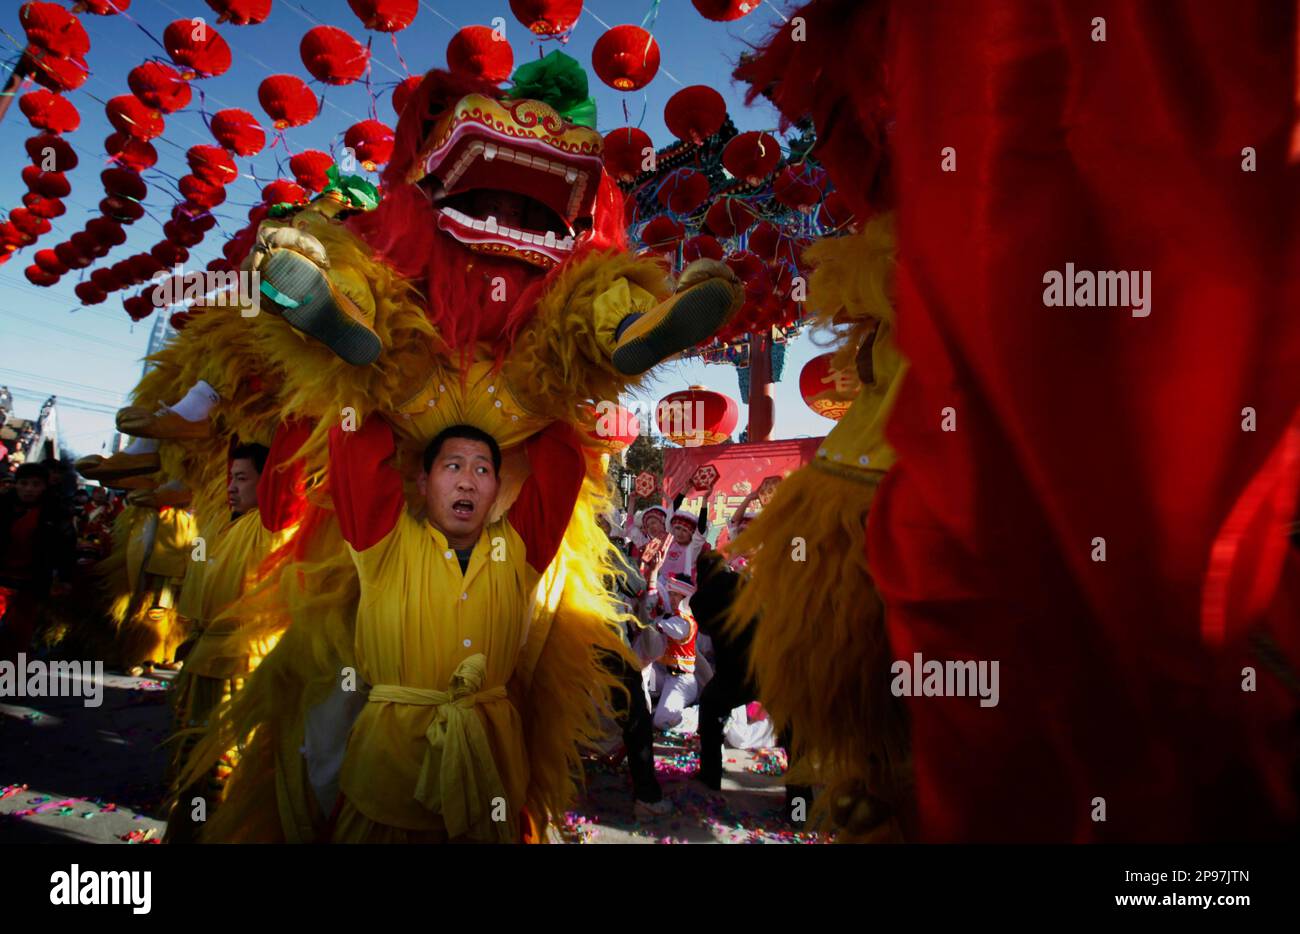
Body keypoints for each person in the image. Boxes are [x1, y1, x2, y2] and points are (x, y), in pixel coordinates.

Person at [319, 415, 585, 842]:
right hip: (388, 778)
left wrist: (537, 391)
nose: (467, 482)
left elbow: (564, 463)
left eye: (482, 469)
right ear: (423, 482)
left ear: (498, 488)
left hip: (489, 774)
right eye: (453, 466)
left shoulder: (518, 549)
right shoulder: (383, 543)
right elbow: (353, 440)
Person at [165, 429, 307, 843]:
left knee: (224, 776)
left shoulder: (273, 525)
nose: (231, 487)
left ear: (271, 482)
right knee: (191, 767)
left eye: (242, 478)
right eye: (230, 478)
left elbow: (289, 465)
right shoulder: (227, 526)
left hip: (243, 669)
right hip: (205, 660)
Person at [599, 519, 671, 821]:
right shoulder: (606, 551)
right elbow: (639, 587)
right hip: (604, 640)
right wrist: (649, 572)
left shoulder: (552, 543)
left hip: (556, 638)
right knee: (636, 714)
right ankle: (647, 797)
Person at [0, 462, 74, 660]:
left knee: (19, 633)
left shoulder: (56, 512)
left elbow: (66, 548)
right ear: (16, 484)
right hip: (2, 578)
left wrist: (65, 578)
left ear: (44, 486)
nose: (29, 489)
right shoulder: (3, 506)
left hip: (32, 582)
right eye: (24, 483)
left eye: (35, 484)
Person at [648, 574, 702, 731]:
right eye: (670, 594)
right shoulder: (672, 617)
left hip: (681, 681)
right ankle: (654, 698)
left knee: (661, 721)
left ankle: (700, 713)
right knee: (641, 675)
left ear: (685, 598)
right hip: (665, 676)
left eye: (676, 595)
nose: (671, 599)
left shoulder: (684, 622)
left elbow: (655, 625)